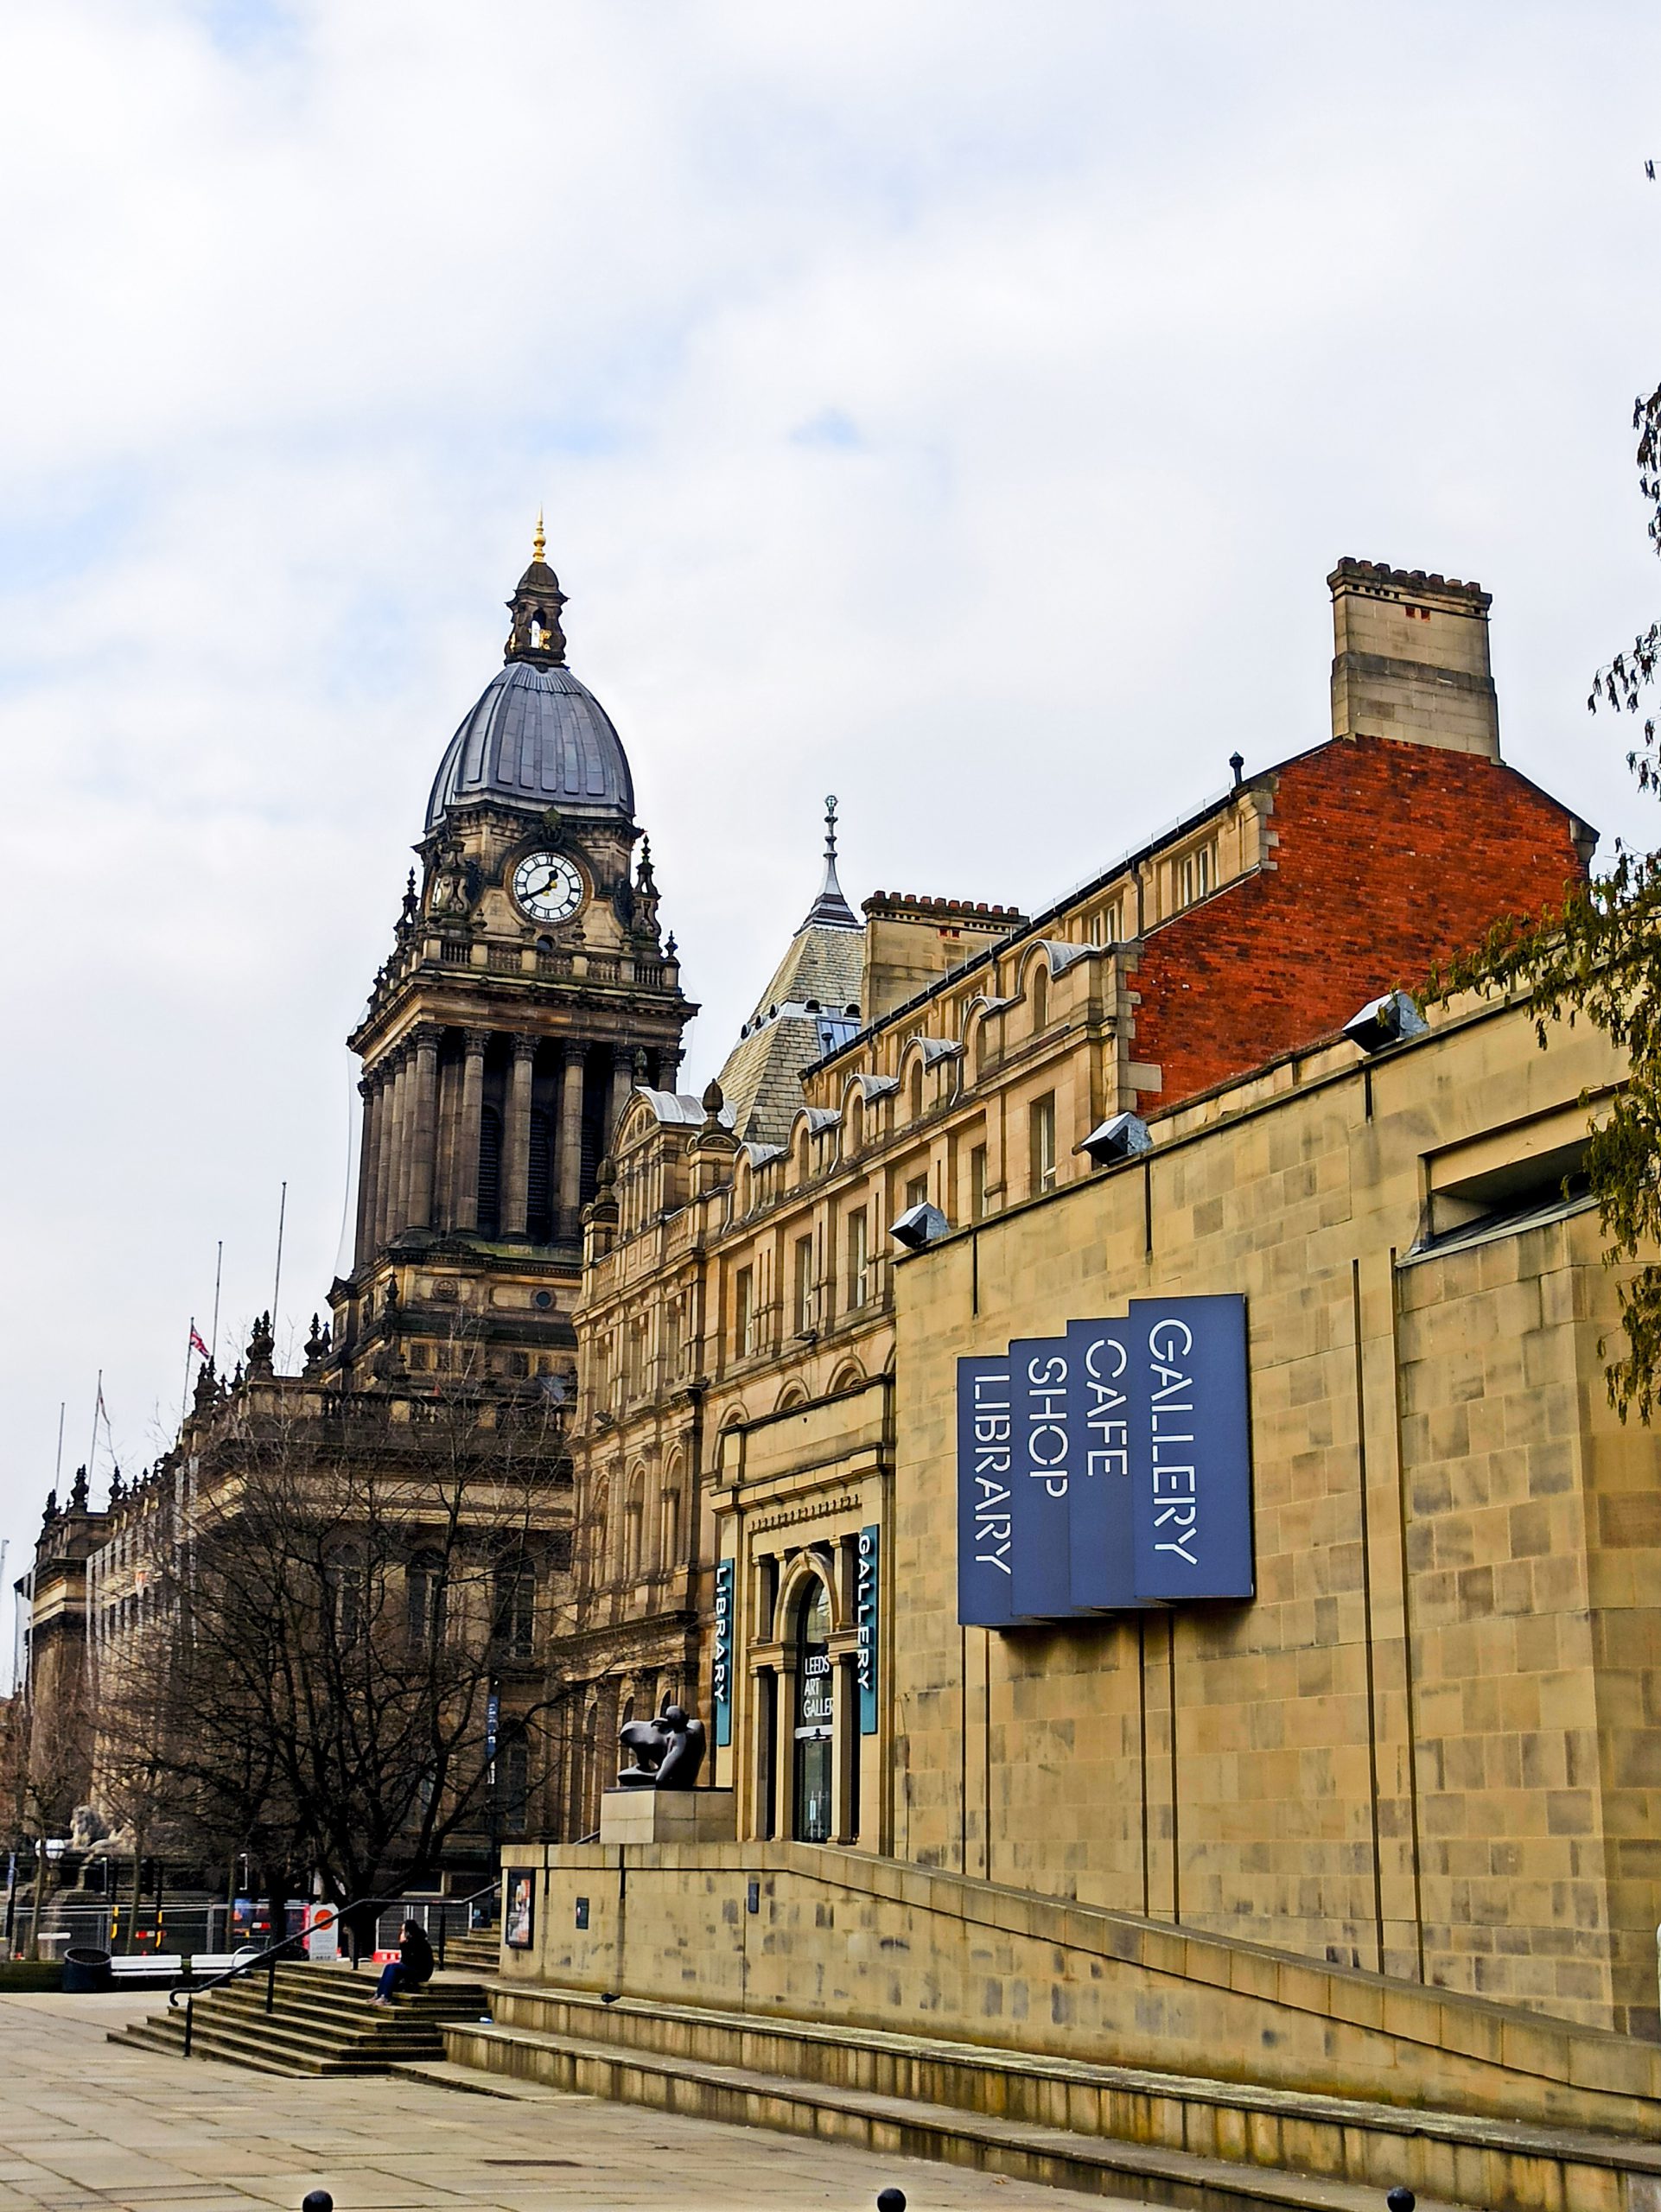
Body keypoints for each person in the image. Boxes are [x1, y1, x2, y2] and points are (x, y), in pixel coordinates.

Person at [372, 1918, 435, 2004]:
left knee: (394, 1967)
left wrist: (403, 1945)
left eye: (403, 1931)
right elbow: (405, 1961)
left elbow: (410, 1961)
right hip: (413, 1968)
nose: (401, 1934)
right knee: (389, 1966)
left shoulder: (419, 1943)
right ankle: (379, 1993)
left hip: (421, 1972)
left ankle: (386, 1996)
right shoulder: (410, 1942)